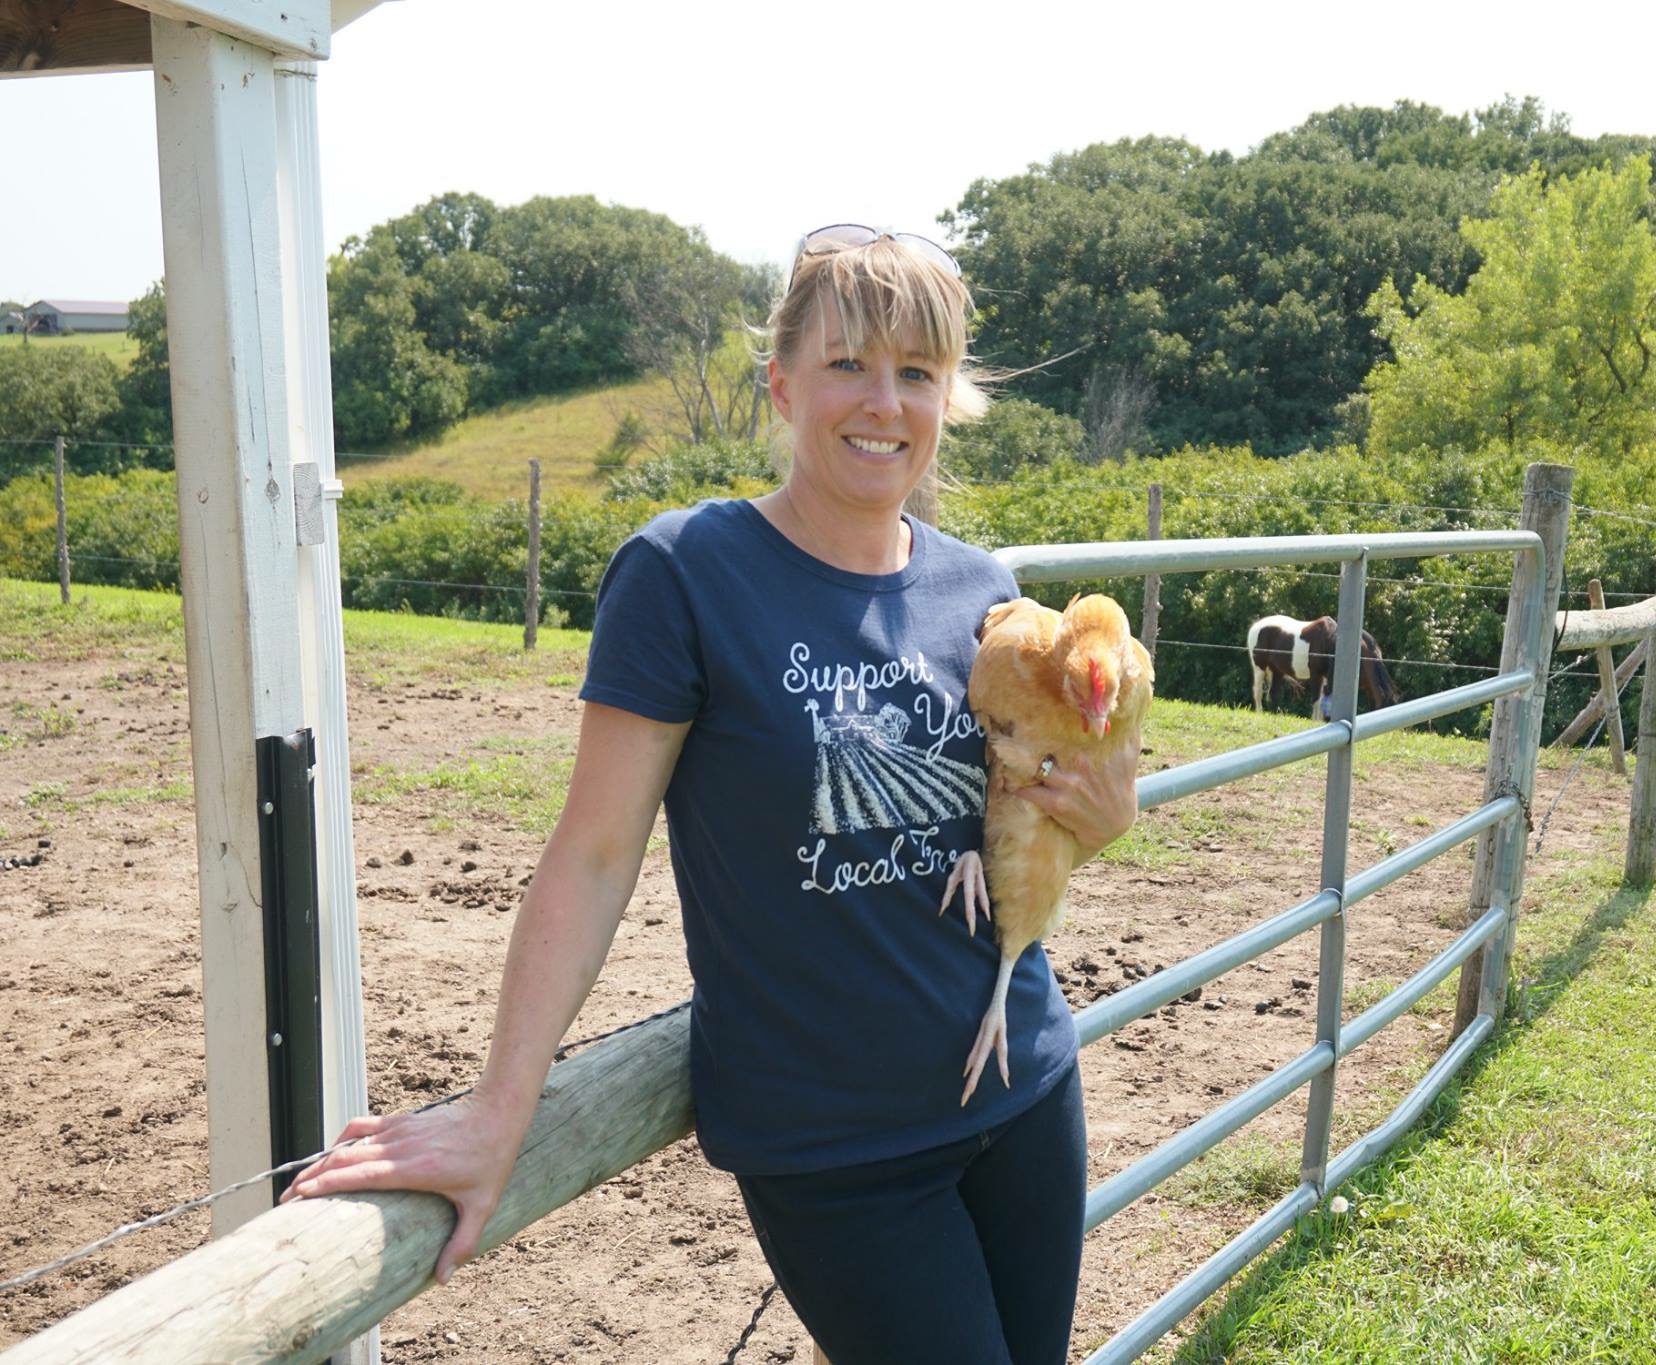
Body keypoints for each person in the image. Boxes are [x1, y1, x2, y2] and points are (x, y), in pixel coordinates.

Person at [283, 225, 1142, 1365]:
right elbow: (592, 857)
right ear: (780, 382)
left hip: (1023, 1088)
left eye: (917, 374)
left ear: (949, 397)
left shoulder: (981, 590)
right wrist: (501, 1110)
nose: (882, 402)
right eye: (847, 364)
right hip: (835, 1146)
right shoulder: (687, 573)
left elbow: (1049, 797)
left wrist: (1109, 812)